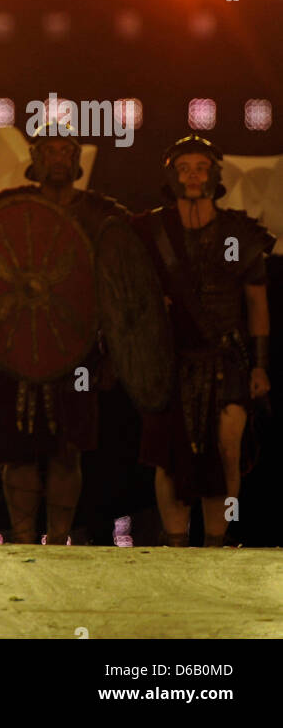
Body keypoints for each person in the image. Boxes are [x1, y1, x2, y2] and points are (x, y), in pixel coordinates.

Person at [0, 126, 129, 544]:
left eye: (64, 151)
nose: (57, 158)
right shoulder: (4, 209)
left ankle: (59, 537)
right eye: (49, 150)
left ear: (76, 161)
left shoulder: (102, 215)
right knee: (17, 451)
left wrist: (115, 351)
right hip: (15, 352)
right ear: (36, 159)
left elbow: (125, 278)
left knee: (67, 449)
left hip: (78, 351)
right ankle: (21, 538)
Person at [133, 136, 273, 547]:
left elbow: (256, 302)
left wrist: (260, 365)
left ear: (213, 174)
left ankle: (218, 538)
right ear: (172, 175)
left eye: (201, 167)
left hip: (226, 358)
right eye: (184, 167)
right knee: (170, 459)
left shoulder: (237, 234)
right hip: (169, 361)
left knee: (227, 449)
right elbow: (126, 292)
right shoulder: (149, 232)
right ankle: (175, 543)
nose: (193, 175)